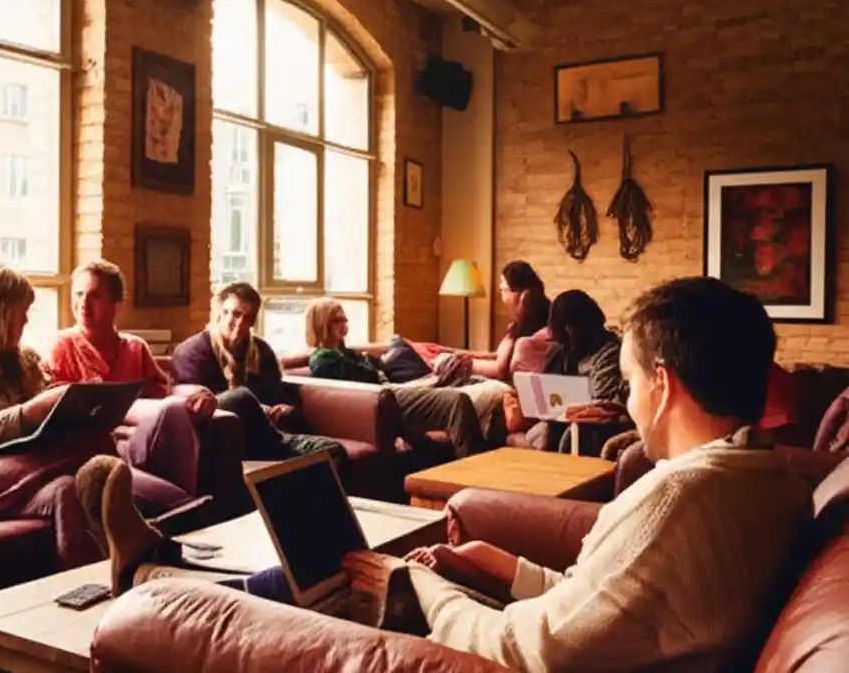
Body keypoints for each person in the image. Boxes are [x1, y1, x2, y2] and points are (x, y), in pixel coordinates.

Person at [78, 276, 812, 672]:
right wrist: (497, 566)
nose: (625, 398)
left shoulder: (677, 497)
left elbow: (534, 651)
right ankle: (159, 566)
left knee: (357, 583)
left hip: (502, 657)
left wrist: (421, 587)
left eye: (626, 380)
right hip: (554, 638)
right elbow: (615, 602)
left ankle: (152, 586)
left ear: (662, 382)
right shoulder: (767, 480)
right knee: (346, 573)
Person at [0, 264, 197, 571]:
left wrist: (71, 411)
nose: (27, 319)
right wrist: (38, 408)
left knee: (69, 489)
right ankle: (184, 512)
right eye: (22, 311)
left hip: (13, 471)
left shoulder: (18, 359)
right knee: (84, 448)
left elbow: (38, 426)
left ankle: (92, 592)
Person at [46, 260, 221, 503]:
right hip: (97, 447)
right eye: (78, 294)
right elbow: (61, 411)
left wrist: (198, 393)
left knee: (178, 409)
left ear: (117, 305)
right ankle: (182, 505)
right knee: (172, 412)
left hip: (140, 438)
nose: (83, 304)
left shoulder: (134, 347)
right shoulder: (62, 345)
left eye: (95, 296)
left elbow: (165, 392)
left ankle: (179, 504)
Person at [170, 282, 343, 460]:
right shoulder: (192, 352)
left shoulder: (261, 351)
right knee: (241, 397)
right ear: (220, 313)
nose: (240, 324)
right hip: (222, 438)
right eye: (236, 314)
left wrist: (284, 409)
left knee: (332, 449)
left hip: (269, 435)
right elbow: (195, 408)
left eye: (248, 318)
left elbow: (277, 394)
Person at [305, 298, 486, 458]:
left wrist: (370, 362)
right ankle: (471, 471)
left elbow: (375, 369)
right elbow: (362, 380)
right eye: (337, 319)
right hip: (379, 398)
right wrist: (370, 365)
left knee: (462, 381)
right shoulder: (323, 358)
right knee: (457, 401)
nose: (344, 324)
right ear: (322, 323)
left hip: (389, 391)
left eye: (345, 319)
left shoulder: (348, 353)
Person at [526, 289, 629, 454]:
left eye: (571, 329)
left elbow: (603, 401)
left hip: (597, 424)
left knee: (553, 434)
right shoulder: (565, 350)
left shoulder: (610, 352)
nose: (569, 335)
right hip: (562, 417)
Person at [443, 260, 551, 383]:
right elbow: (500, 355)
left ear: (521, 294)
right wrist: (458, 353)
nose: (502, 295)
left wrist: (462, 364)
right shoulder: (518, 324)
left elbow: (500, 369)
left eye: (504, 289)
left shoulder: (533, 334)